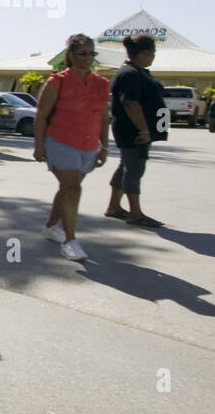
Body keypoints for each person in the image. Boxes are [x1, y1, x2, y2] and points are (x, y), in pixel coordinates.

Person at [33, 34, 111, 261]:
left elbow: (104, 118)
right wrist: (39, 146)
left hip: (88, 145)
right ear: (71, 55)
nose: (88, 58)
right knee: (73, 188)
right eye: (82, 53)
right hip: (61, 142)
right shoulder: (57, 81)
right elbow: (41, 115)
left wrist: (104, 147)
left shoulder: (101, 83)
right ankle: (70, 241)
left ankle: (50, 227)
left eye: (91, 53)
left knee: (68, 189)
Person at [105, 34, 166, 228]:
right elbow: (131, 103)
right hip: (134, 131)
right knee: (135, 169)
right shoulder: (130, 74)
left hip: (132, 130)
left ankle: (114, 207)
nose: (153, 56)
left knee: (125, 166)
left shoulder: (134, 72)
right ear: (145, 53)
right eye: (152, 52)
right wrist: (144, 130)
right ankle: (135, 213)